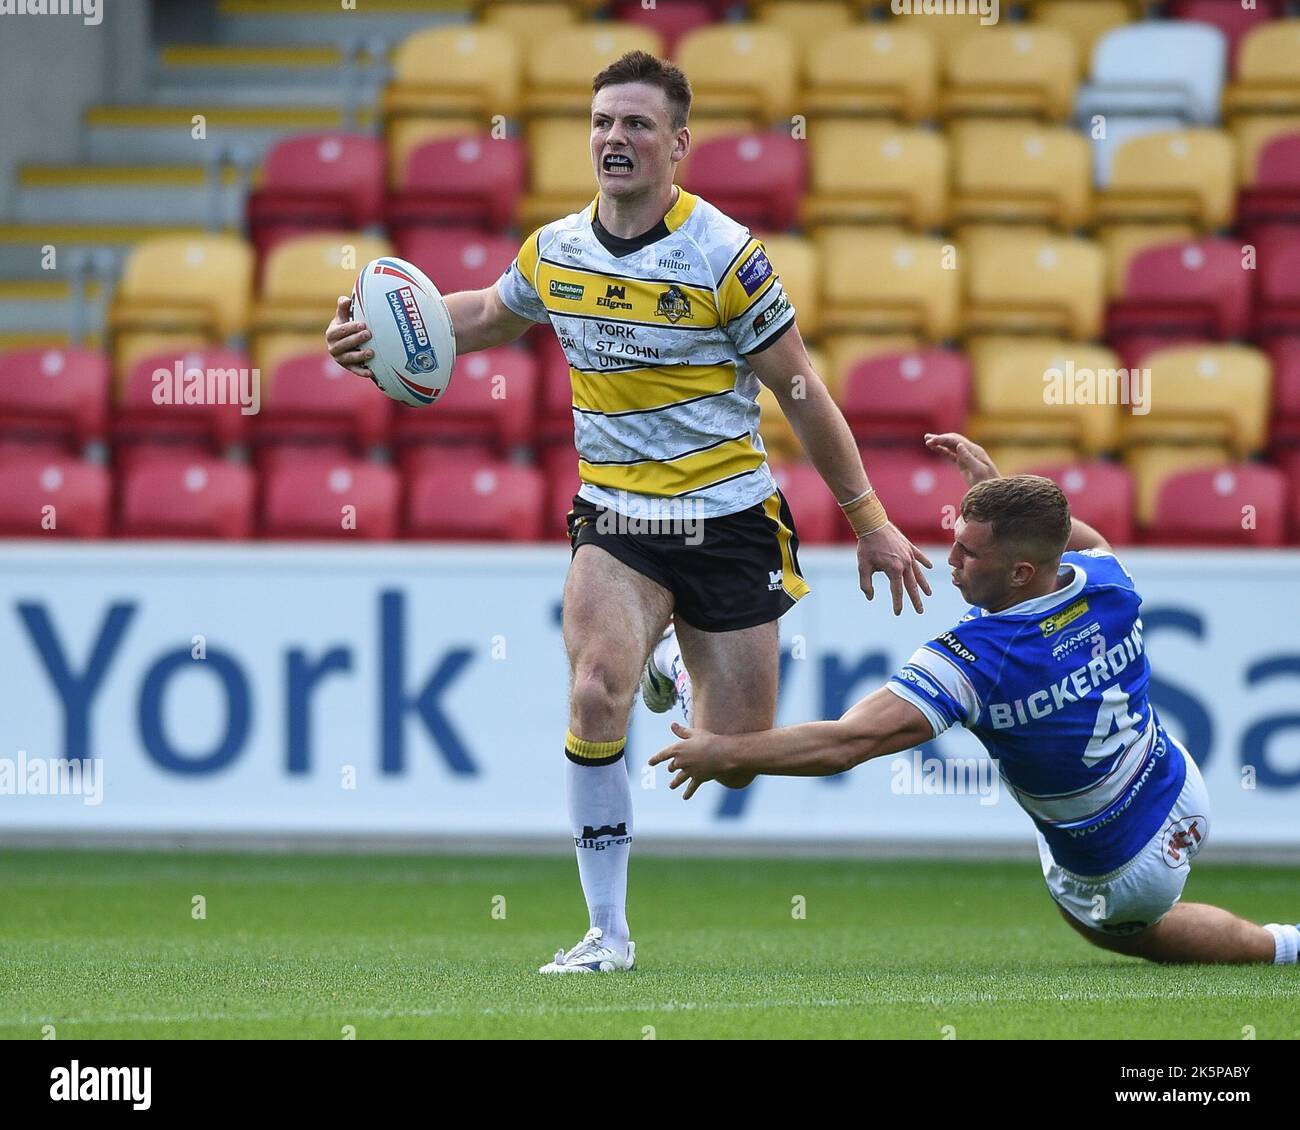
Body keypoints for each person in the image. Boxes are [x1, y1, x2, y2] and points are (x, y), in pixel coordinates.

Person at [326, 51, 933, 974]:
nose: (616, 138)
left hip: (728, 522)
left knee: (730, 755)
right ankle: (606, 934)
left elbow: (802, 392)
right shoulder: (556, 251)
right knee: (594, 689)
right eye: (604, 121)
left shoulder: (727, 257)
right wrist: (386, 337)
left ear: (679, 144)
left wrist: (870, 518)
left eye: (639, 124)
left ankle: (681, 684)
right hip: (616, 519)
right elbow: (488, 313)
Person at [650, 433, 1300, 966]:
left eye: (969, 551)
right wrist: (994, 489)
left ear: (1021, 573)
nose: (950, 559)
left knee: (1116, 929)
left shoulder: (973, 659)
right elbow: (1067, 537)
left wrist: (724, 750)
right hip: (1179, 786)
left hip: (1118, 867)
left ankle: (1281, 948)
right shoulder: (1110, 580)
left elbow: (848, 742)